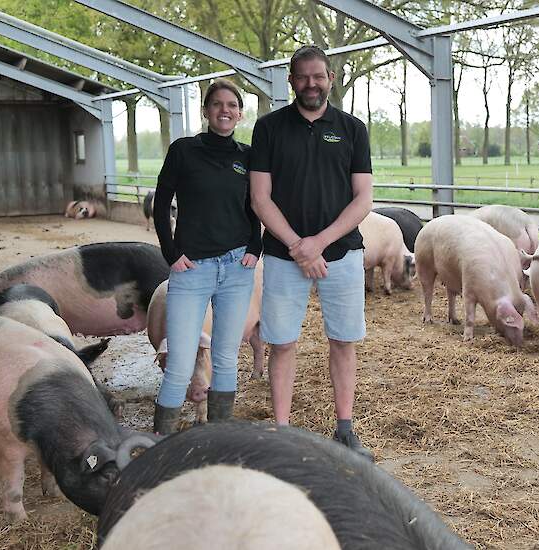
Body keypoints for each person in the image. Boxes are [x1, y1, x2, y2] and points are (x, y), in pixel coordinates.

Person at [249, 45, 374, 460]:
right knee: (282, 342)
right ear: (291, 80)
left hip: (342, 254)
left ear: (330, 79)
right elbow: (260, 198)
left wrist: (317, 243)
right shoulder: (268, 129)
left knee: (343, 340)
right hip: (283, 257)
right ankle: (282, 431)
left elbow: (363, 199)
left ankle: (345, 429)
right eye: (302, 77)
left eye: (318, 76)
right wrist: (297, 246)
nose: (311, 84)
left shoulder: (353, 129)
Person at [152, 78, 262, 434]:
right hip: (192, 269)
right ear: (206, 111)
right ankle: (162, 444)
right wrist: (171, 252)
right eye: (217, 104)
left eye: (232, 105)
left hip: (236, 267)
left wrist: (255, 246)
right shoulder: (184, 150)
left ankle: (219, 437)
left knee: (226, 359)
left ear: (240, 114)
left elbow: (254, 206)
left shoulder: (247, 156)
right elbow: (161, 203)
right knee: (180, 364)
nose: (224, 111)